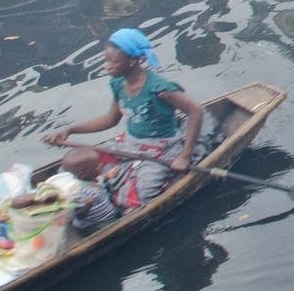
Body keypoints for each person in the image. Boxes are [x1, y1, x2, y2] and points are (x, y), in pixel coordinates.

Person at [43, 27, 203, 210]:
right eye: (106, 60)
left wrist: (185, 156)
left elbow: (196, 111)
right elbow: (111, 119)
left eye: (114, 62)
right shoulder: (118, 83)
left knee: (140, 196)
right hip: (130, 142)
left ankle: (115, 190)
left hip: (162, 146)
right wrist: (70, 130)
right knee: (72, 167)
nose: (106, 66)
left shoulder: (160, 89)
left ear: (134, 61)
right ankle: (107, 185)